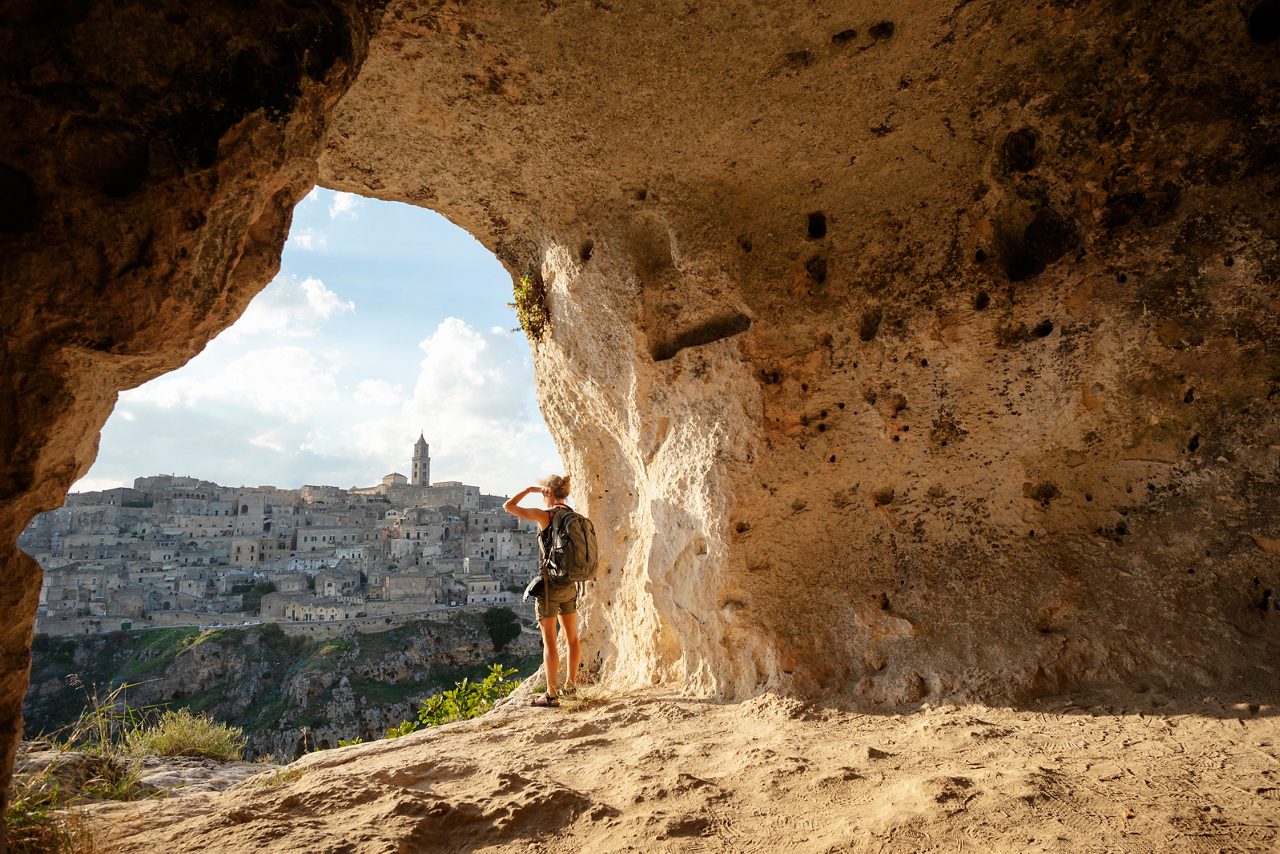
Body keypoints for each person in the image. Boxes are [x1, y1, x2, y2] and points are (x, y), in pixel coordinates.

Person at [503, 474, 581, 707]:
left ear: (548, 492)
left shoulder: (545, 516)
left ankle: (551, 694)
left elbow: (508, 506)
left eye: (544, 492)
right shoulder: (573, 516)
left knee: (550, 642)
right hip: (570, 584)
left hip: (549, 587)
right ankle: (571, 687)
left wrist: (529, 490)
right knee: (572, 638)